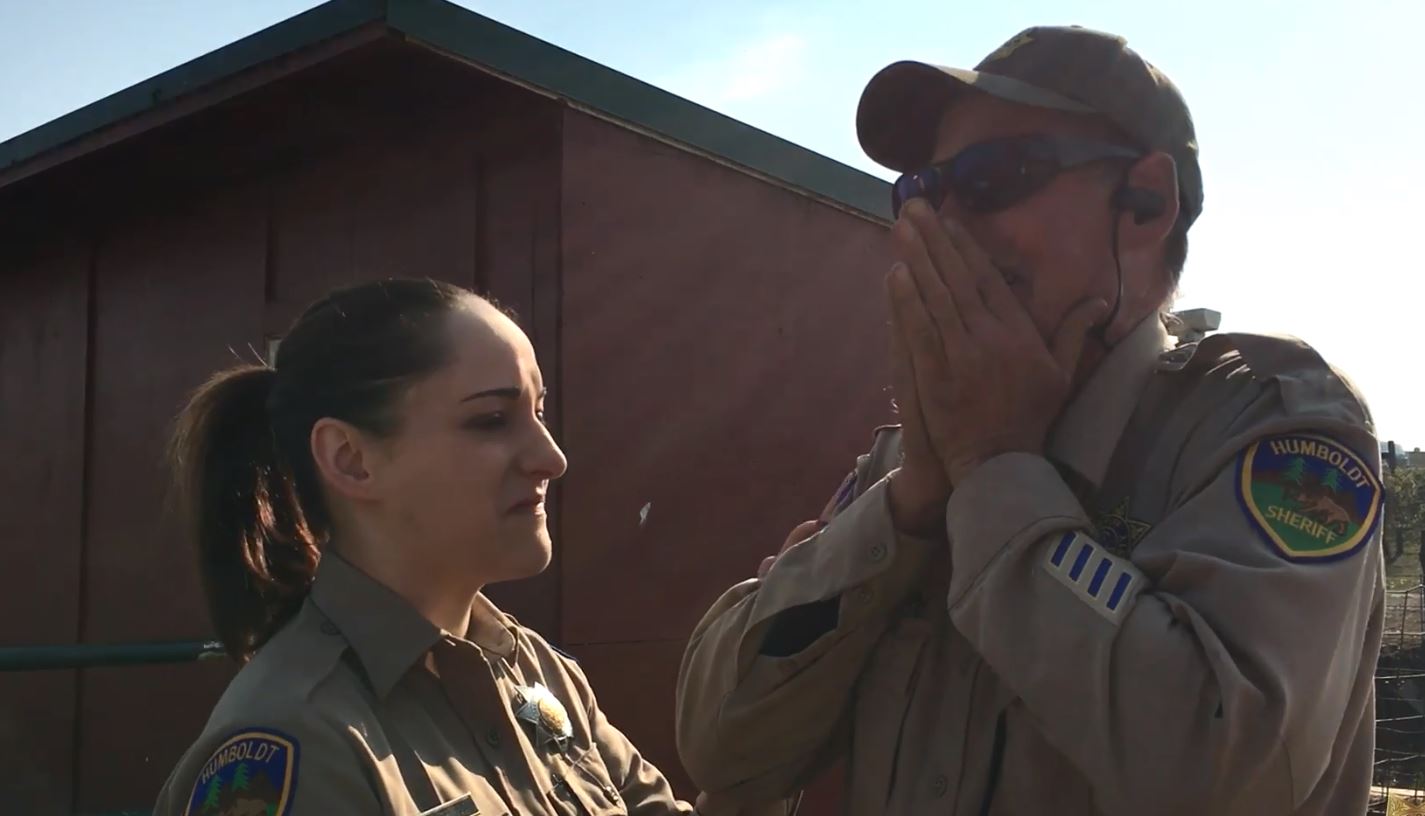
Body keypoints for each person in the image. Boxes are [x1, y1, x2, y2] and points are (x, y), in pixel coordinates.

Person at [676, 25, 1384, 816]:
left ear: (1145, 204)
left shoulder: (1265, 423)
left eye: (993, 177)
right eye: (921, 191)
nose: (938, 223)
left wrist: (993, 471)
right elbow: (721, 748)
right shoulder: (910, 462)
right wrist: (916, 498)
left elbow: (1228, 777)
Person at [154, 278, 696, 815]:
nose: (551, 458)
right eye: (491, 420)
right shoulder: (293, 739)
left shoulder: (537, 673)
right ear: (350, 459)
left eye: (538, 412)